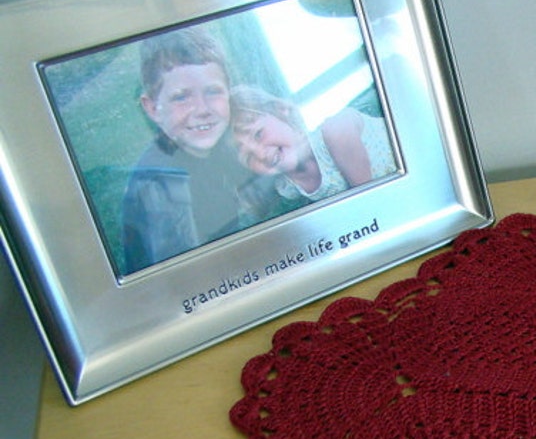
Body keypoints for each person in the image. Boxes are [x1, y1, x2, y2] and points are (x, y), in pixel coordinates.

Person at [119, 27, 270, 275]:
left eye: (213, 91)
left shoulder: (222, 144)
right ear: (152, 108)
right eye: (181, 97)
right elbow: (184, 281)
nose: (202, 109)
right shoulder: (161, 184)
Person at [228, 84, 397, 203]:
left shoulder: (332, 133)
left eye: (258, 134)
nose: (261, 154)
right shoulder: (287, 187)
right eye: (248, 157)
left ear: (281, 111)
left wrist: (303, 149)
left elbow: (373, 204)